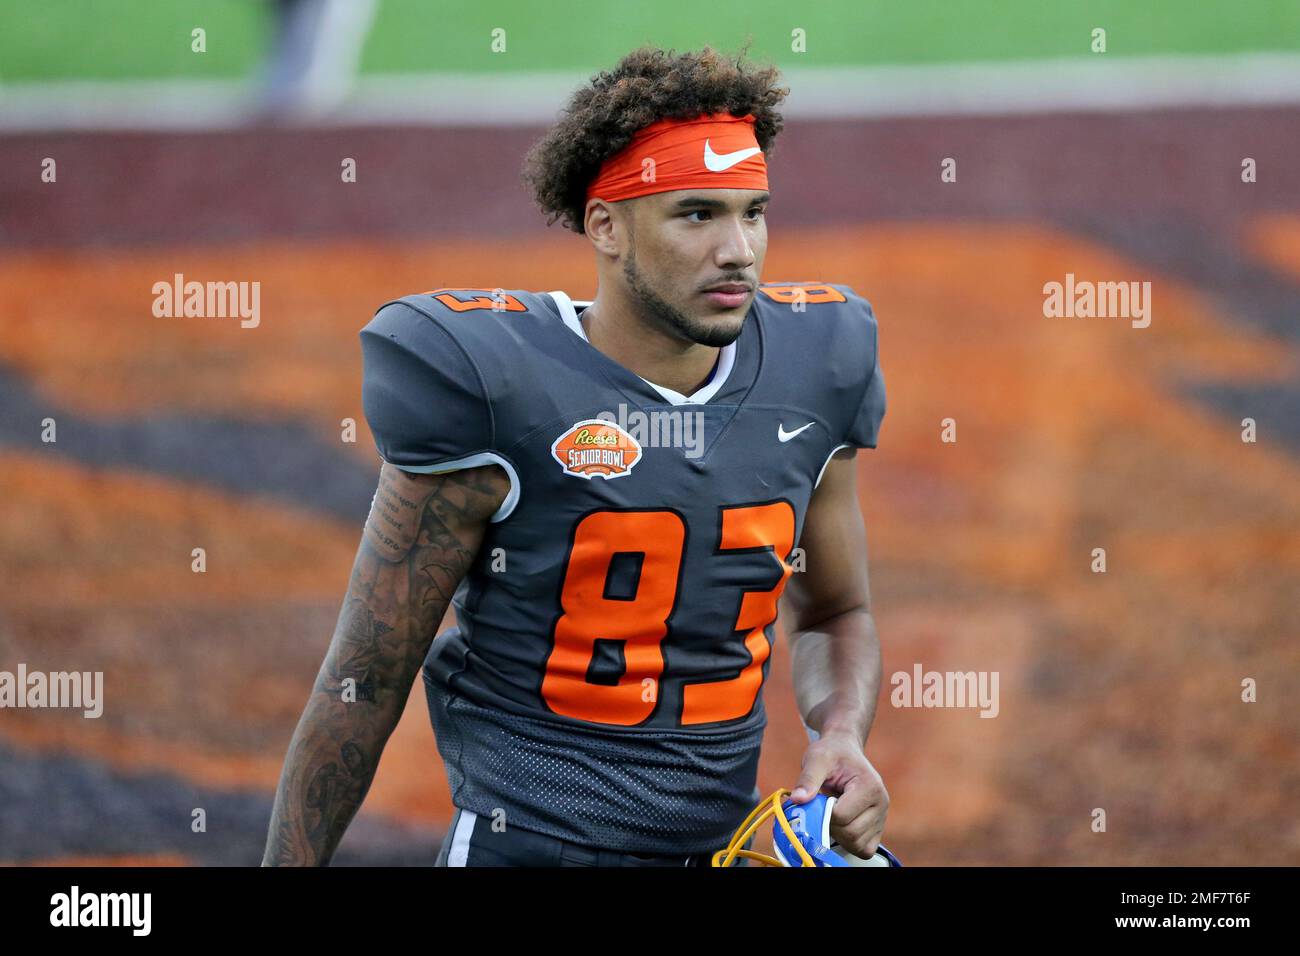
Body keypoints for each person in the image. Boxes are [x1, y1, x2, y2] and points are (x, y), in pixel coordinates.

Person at [262, 44, 889, 867]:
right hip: (527, 845)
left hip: (722, 843)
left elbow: (837, 611)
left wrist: (840, 732)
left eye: (753, 211)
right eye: (696, 214)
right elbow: (366, 677)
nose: (739, 249)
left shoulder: (819, 363)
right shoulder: (493, 382)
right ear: (606, 225)